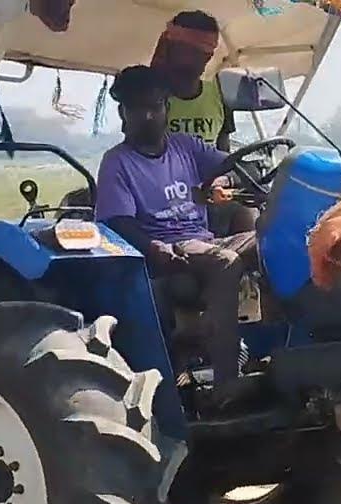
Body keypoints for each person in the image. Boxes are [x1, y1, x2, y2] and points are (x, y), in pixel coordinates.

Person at [94, 65, 254, 407]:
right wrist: (155, 248)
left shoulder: (184, 146)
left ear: (167, 108)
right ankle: (226, 382)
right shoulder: (117, 163)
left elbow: (232, 166)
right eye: (138, 109)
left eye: (156, 106)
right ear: (123, 115)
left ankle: (285, 353)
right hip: (170, 246)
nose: (149, 116)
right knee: (225, 262)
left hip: (205, 239)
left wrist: (225, 182)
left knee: (274, 239)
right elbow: (118, 221)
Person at [149, 9, 257, 237]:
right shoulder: (149, 99)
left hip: (210, 195)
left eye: (204, 52)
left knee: (248, 212)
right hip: (162, 200)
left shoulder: (218, 94)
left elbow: (224, 153)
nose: (198, 58)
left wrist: (223, 181)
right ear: (171, 48)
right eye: (189, 51)